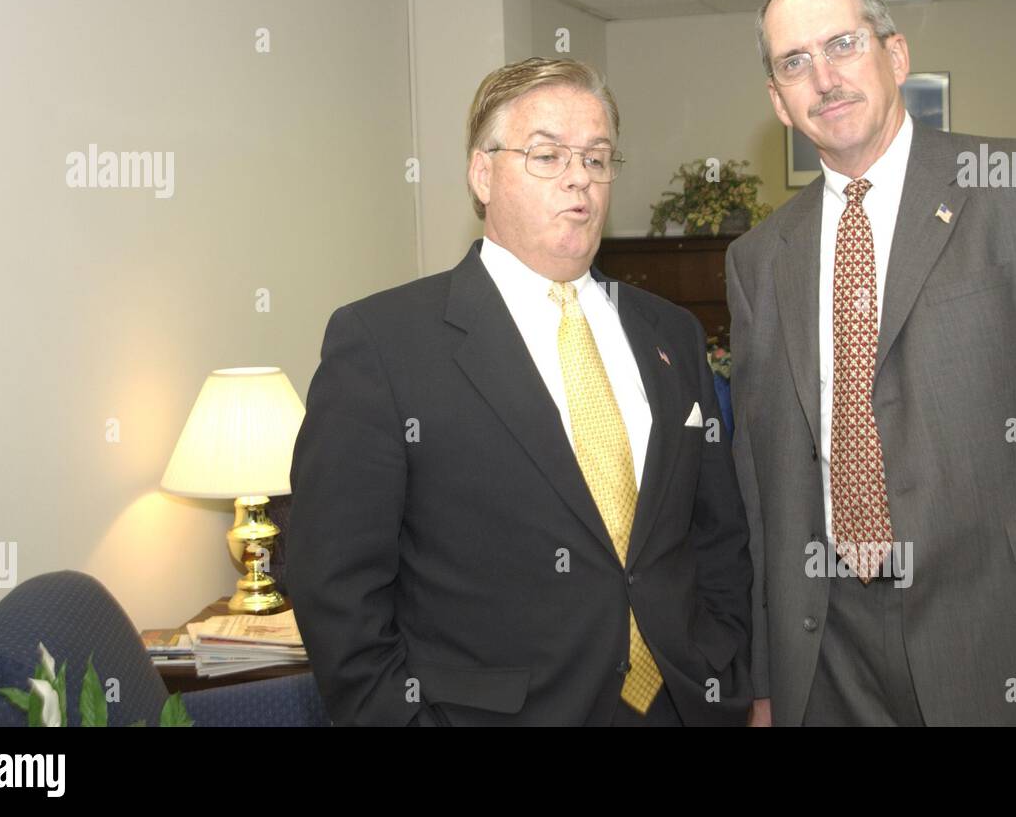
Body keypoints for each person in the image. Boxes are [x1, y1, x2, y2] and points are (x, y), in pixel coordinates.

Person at [727, 0, 1016, 726]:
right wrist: (767, 679)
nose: (823, 78)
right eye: (795, 62)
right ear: (777, 100)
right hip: (827, 651)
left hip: (1007, 636)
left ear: (895, 55)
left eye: (842, 45)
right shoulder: (758, 259)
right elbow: (763, 483)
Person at [287, 57, 752, 726]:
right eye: (546, 155)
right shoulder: (383, 344)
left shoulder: (670, 334)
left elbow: (717, 534)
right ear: (482, 173)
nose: (578, 179)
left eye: (597, 158)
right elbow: (338, 592)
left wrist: (724, 669)